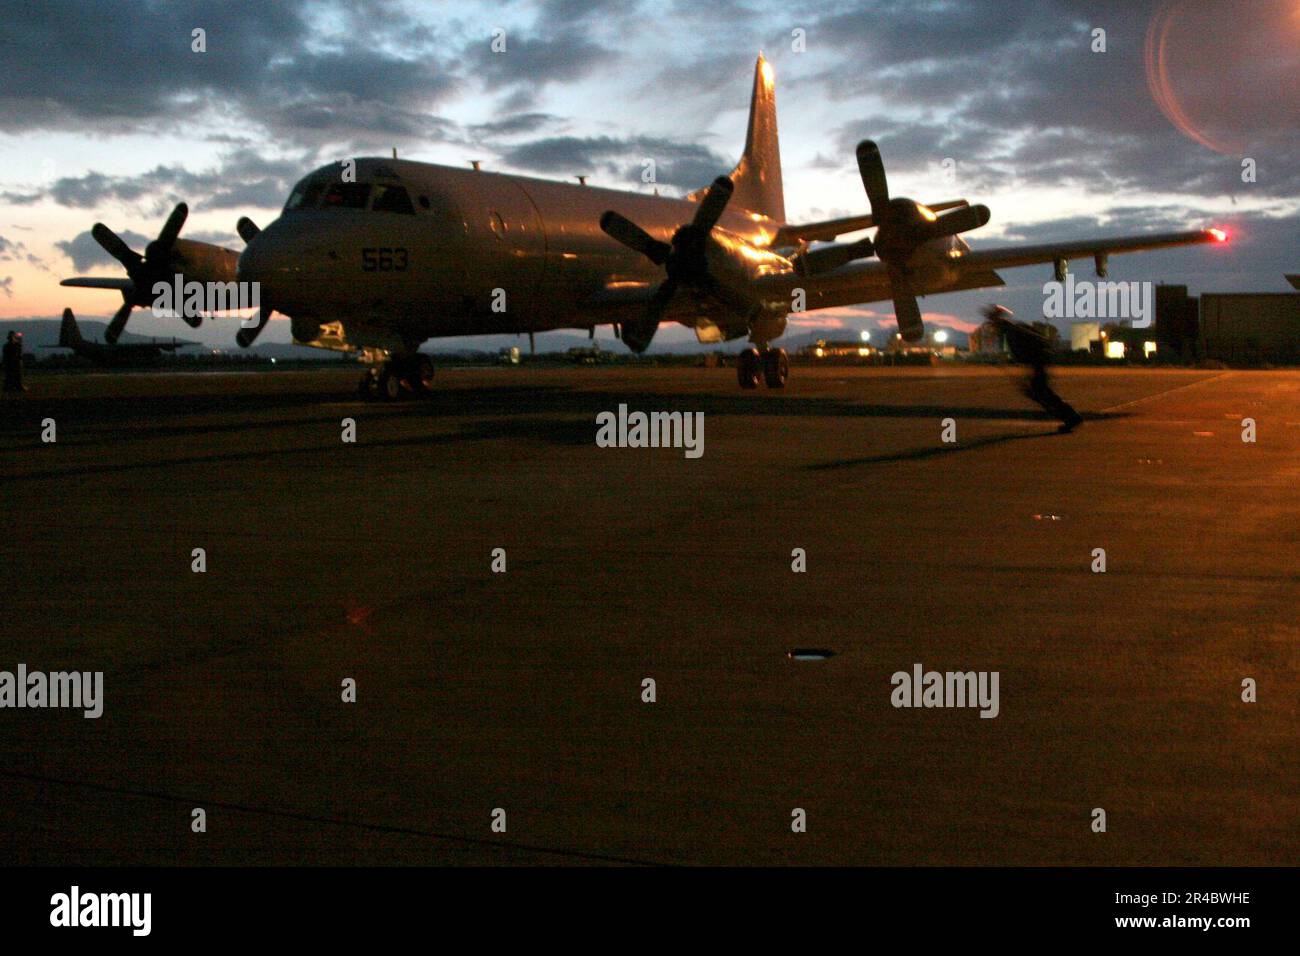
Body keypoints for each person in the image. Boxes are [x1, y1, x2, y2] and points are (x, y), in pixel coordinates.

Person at [981, 305, 1082, 432]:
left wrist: (1014, 362)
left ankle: (1071, 418)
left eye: (993, 323)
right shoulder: (1015, 328)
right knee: (1041, 393)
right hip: (1039, 361)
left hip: (1038, 361)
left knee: (1041, 393)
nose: (992, 327)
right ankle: (1070, 418)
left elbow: (1022, 353)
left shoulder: (1012, 331)